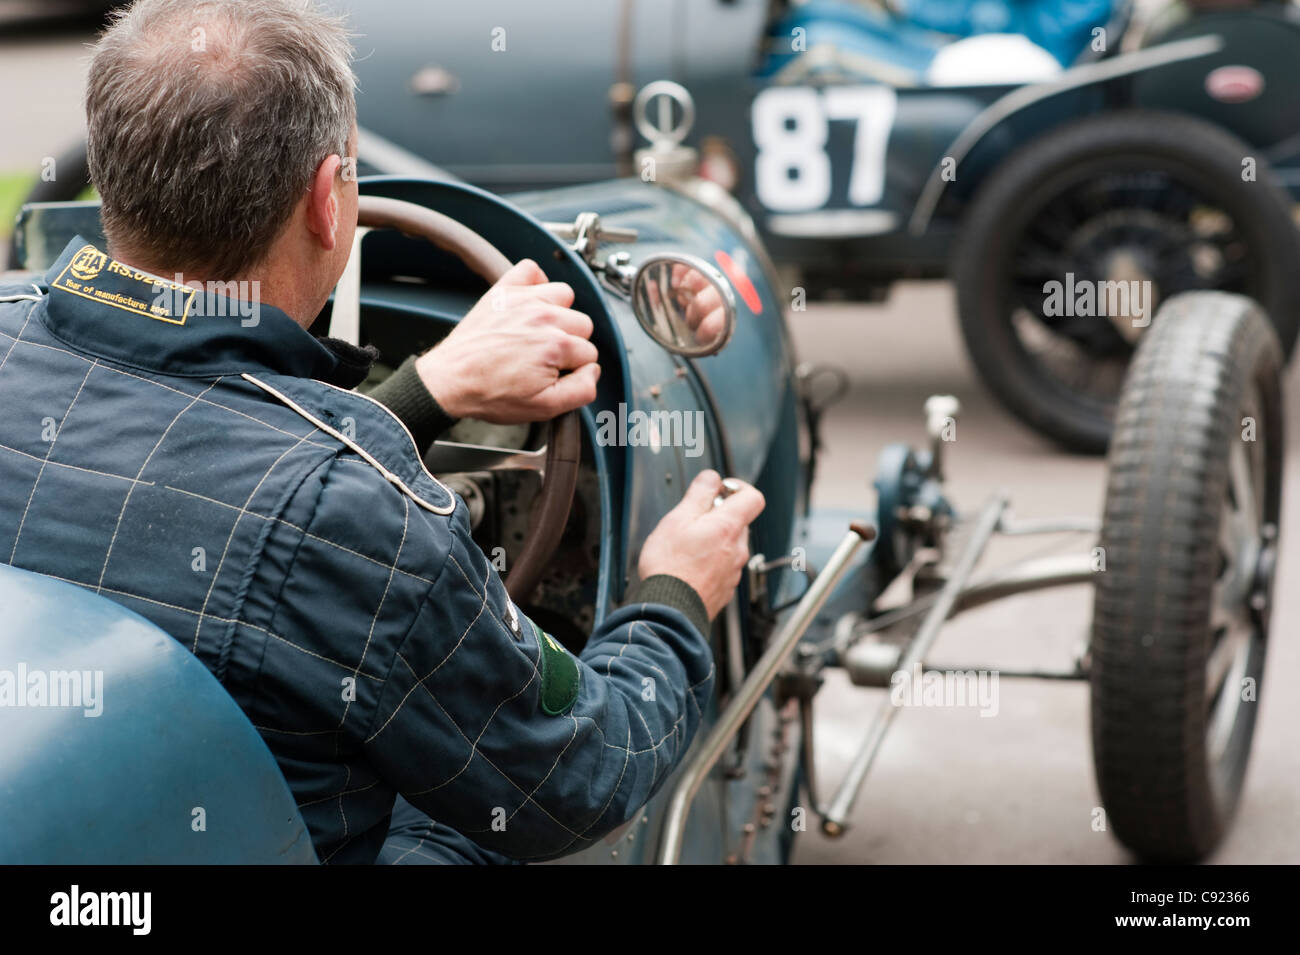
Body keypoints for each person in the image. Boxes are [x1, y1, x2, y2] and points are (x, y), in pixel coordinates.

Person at [0, 0, 763, 864]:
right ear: (330, 202)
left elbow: (205, 481)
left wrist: (424, 391)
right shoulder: (362, 513)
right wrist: (674, 596)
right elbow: (581, 774)